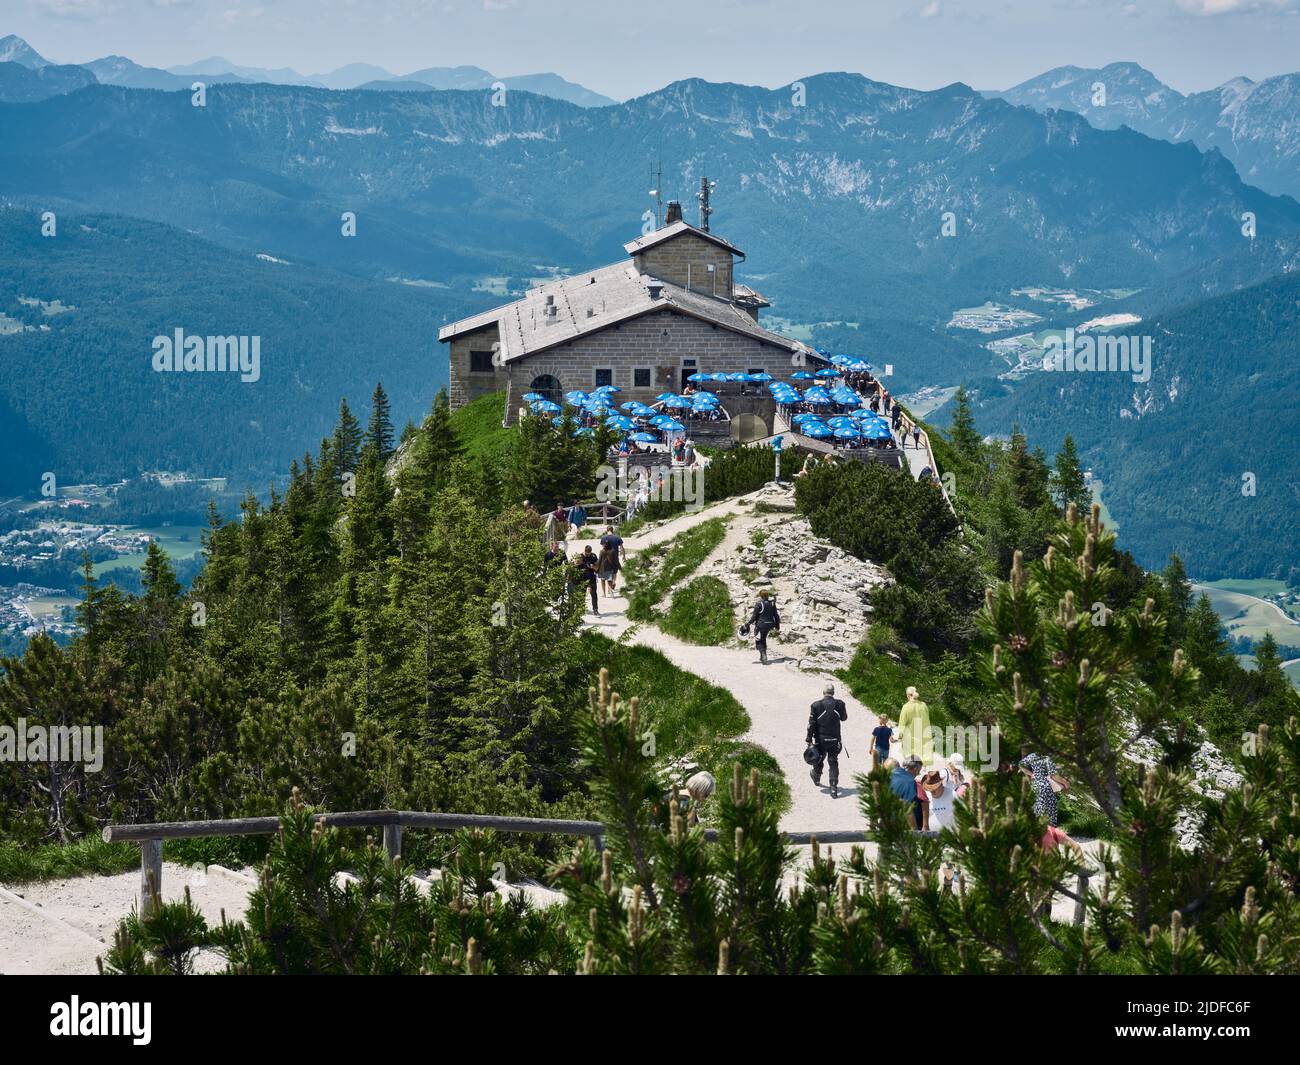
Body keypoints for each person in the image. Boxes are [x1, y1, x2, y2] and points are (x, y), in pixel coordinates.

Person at [806, 682, 849, 799]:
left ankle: (816, 777)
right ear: (833, 693)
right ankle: (833, 788)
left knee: (819, 759)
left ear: (823, 693)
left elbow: (811, 724)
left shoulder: (816, 705)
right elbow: (844, 718)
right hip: (835, 739)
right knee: (833, 761)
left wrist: (809, 738)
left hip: (821, 739)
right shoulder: (839, 704)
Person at [1019, 745, 1070, 827]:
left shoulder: (1032, 756)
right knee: (1051, 809)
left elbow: (1021, 765)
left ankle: (1034, 829)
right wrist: (1065, 783)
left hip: (1035, 785)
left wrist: (1031, 774)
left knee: (1038, 807)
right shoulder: (1047, 758)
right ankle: (1051, 831)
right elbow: (1054, 776)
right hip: (1046, 786)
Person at [743, 588, 781, 664]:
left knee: (759, 641)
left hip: (761, 625)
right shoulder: (772, 603)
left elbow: (754, 617)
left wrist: (747, 624)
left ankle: (764, 655)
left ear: (761, 595)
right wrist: (777, 625)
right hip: (770, 624)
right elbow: (776, 615)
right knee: (763, 639)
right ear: (767, 595)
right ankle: (762, 656)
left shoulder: (759, 604)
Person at [897, 685, 933, 762]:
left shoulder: (906, 707)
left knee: (910, 763)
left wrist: (900, 737)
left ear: (909, 695)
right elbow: (928, 719)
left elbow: (902, 724)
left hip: (910, 740)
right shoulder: (923, 705)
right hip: (923, 739)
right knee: (920, 763)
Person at [889, 755, 924, 829]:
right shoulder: (910, 782)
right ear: (915, 768)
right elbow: (908, 808)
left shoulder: (889, 776)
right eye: (919, 771)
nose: (918, 774)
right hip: (902, 827)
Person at [574, 545, 599, 614]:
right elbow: (575, 564)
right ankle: (581, 609)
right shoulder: (580, 556)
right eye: (587, 552)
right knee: (582, 594)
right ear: (584, 550)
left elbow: (597, 567)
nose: (588, 554)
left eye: (589, 552)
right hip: (582, 578)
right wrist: (579, 562)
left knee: (594, 594)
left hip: (591, 577)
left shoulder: (593, 556)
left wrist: (593, 566)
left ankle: (595, 609)